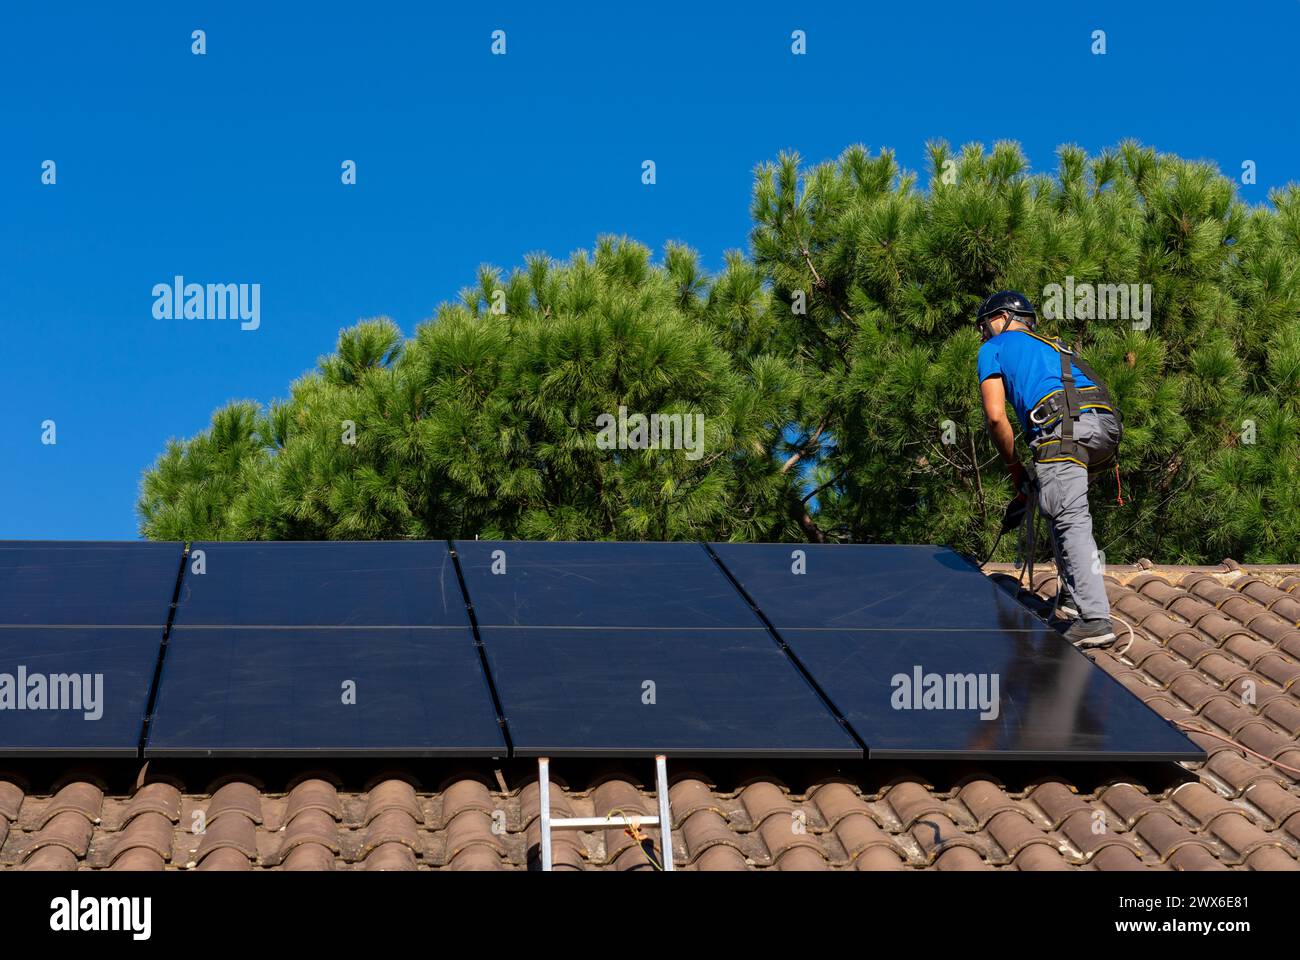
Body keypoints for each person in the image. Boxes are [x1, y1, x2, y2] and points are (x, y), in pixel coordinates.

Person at [974, 290, 1123, 648]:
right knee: (1054, 500)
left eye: (984, 327)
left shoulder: (993, 348)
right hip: (1105, 430)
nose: (983, 335)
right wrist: (1030, 485)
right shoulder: (1054, 345)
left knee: (1068, 516)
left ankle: (1094, 618)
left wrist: (1013, 468)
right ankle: (1073, 599)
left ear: (1001, 319)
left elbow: (996, 418)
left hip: (1061, 429)